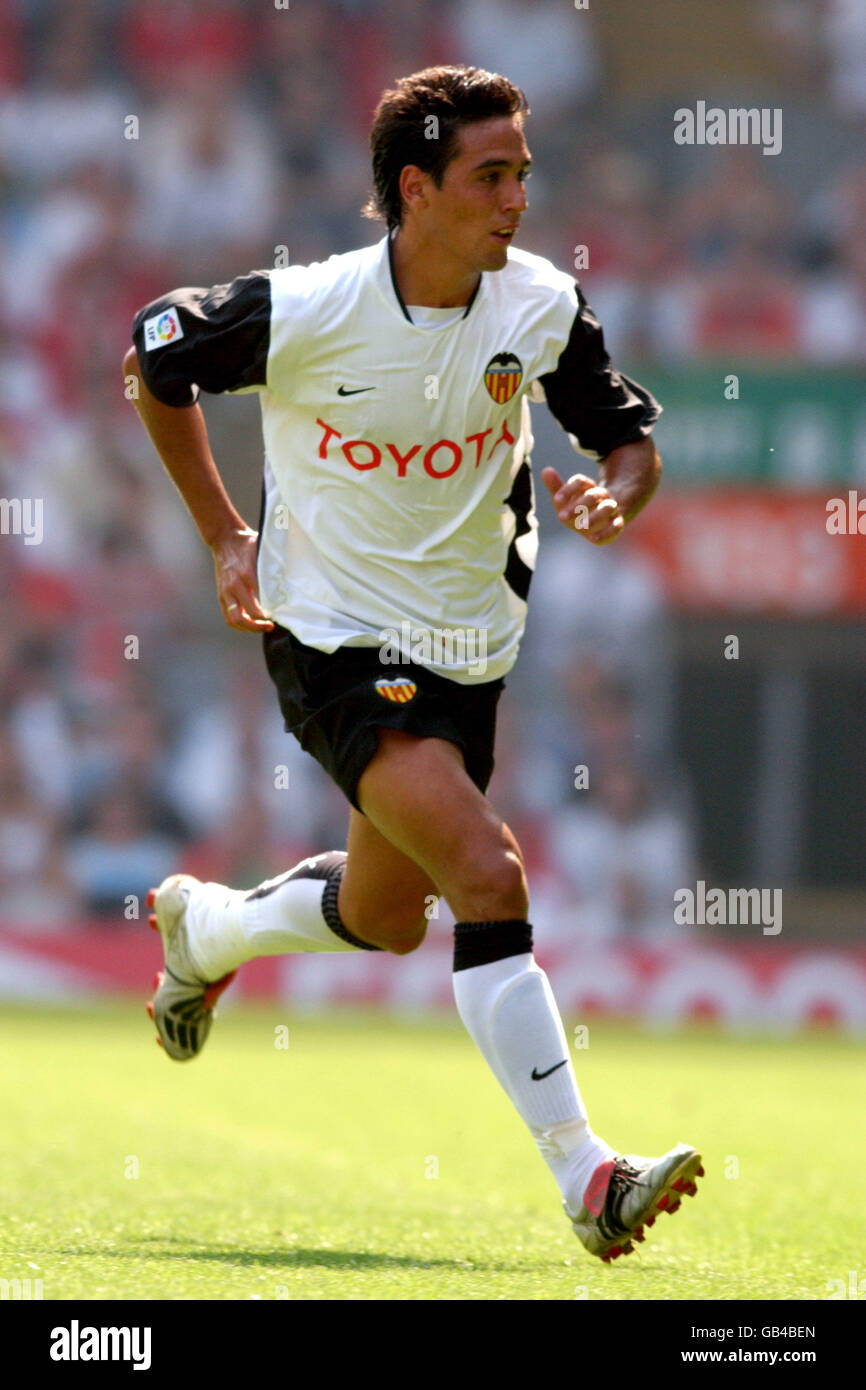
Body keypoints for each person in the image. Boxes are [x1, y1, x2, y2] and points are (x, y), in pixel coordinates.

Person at [123, 65, 702, 1263]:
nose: (516, 199)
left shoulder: (539, 306)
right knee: (487, 873)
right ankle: (585, 1172)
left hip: (467, 650)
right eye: (490, 176)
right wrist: (225, 534)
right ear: (414, 187)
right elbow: (151, 355)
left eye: (522, 174)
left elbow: (626, 436)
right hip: (330, 638)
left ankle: (208, 931)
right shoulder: (307, 308)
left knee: (388, 917)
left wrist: (619, 496)